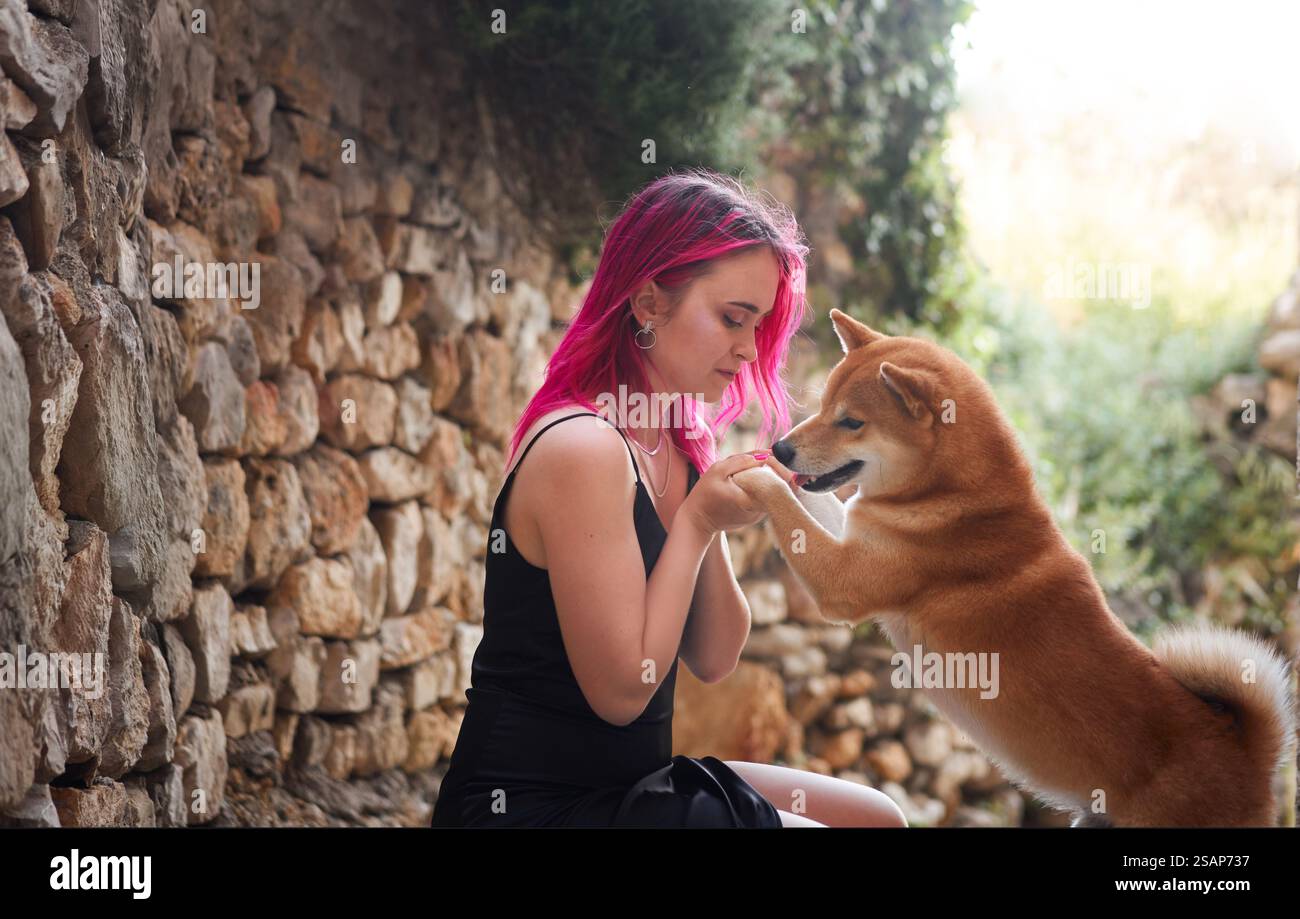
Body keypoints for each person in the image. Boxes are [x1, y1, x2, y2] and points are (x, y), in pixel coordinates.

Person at [431, 167, 908, 828]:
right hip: (539, 805)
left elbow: (714, 656)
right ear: (648, 302)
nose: (748, 350)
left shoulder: (673, 440)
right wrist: (694, 523)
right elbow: (625, 691)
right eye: (732, 319)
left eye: (758, 325)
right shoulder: (586, 447)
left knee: (877, 818)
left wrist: (705, 512)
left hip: (632, 785)